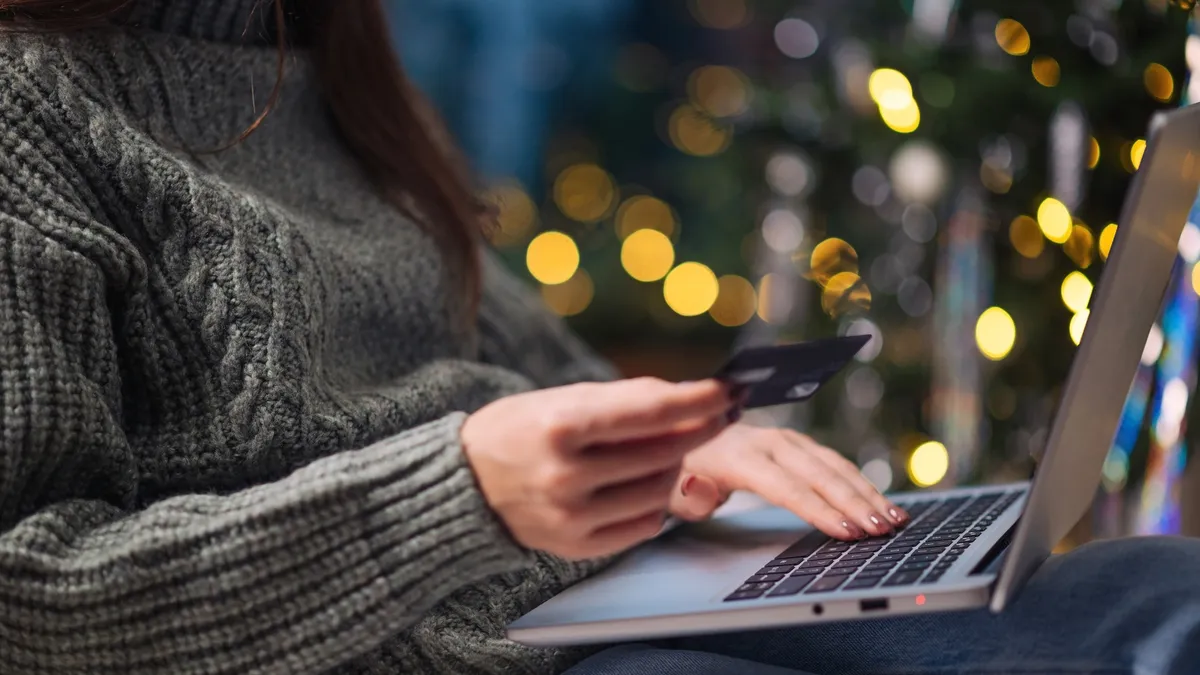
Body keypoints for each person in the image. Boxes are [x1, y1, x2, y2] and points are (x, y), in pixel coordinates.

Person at [0, 1, 1195, 673]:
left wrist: (674, 444)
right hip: (449, 649)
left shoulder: (325, 64)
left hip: (599, 588)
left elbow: (539, 371)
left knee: (1152, 595)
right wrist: (453, 495)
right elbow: (31, 602)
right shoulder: (30, 111)